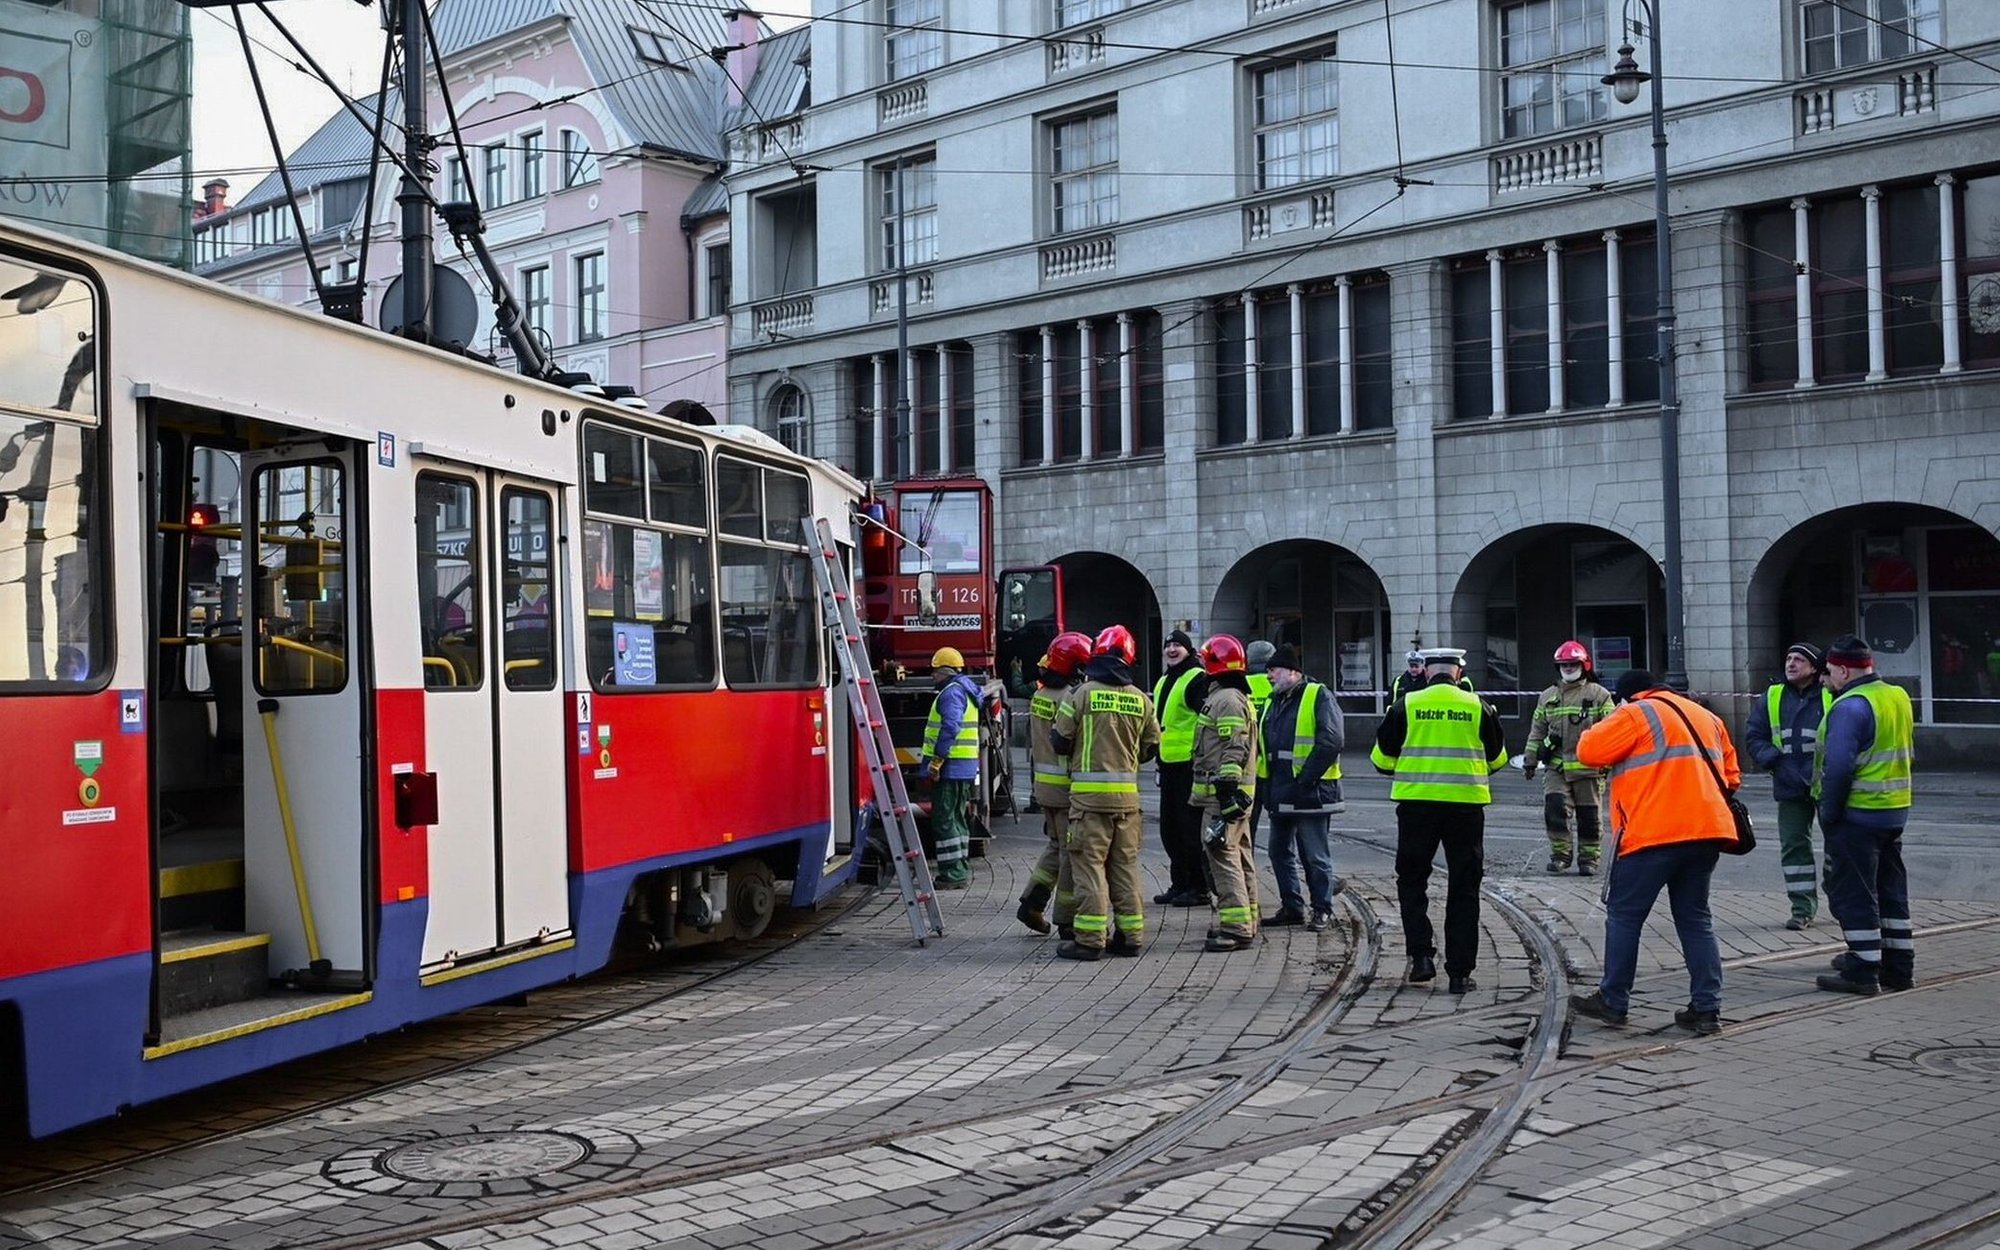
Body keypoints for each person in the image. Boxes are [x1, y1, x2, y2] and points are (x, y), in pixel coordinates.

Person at [1569, 669, 1739, 1034]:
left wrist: (1615, 716)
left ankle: (1613, 1001)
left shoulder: (1634, 713)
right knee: (1695, 918)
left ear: (1628, 695)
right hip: (1706, 833)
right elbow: (1732, 776)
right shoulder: (1705, 716)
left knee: (1625, 916)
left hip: (1653, 834)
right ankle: (1707, 1008)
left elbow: (1588, 751)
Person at [1370, 648, 1506, 994]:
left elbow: (1381, 761)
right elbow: (1498, 758)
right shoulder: (1479, 706)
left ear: (1427, 673)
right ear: (1458, 673)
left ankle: (1421, 958)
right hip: (1466, 809)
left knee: (1412, 882)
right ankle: (1460, 974)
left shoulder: (1406, 705)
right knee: (1464, 887)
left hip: (1416, 807)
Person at [1051, 624, 1161, 961]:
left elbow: (1059, 739)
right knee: (1125, 868)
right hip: (1128, 804)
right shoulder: (1141, 699)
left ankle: (1090, 940)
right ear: (1128, 659)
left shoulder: (1081, 695)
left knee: (1089, 869)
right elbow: (1151, 748)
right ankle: (1130, 938)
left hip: (1088, 804)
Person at [1815, 635, 1916, 995]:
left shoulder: (1850, 706)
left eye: (1828, 672)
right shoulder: (1897, 696)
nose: (1827, 679)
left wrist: (1829, 811)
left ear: (1843, 670)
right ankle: (1899, 966)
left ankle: (1862, 968)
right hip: (1894, 810)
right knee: (1890, 890)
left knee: (1856, 892)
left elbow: (1839, 768)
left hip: (1858, 814)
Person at [1744, 643, 1833, 930]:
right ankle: (1802, 908)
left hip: (1828, 783)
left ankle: (1841, 899)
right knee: (1794, 847)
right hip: (1789, 783)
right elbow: (1754, 737)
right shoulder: (1773, 696)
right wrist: (1775, 761)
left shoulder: (1831, 693)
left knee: (1839, 847)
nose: (1791, 664)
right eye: (1788, 657)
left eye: (1799, 659)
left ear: (1814, 668)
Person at [1260, 643, 1345, 932]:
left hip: (1311, 793)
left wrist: (1305, 779)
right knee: (1278, 851)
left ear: (1293, 672)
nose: (1269, 675)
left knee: (1315, 854)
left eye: (1274, 670)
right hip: (1281, 791)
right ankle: (1293, 907)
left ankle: (1322, 909)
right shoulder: (1275, 700)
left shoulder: (1318, 695)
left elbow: (1331, 741)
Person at [1018, 631, 1094, 936]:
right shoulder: (1068, 699)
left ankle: (1031, 903)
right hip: (1065, 789)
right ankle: (1067, 918)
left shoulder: (1040, 695)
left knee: (1055, 847)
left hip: (1045, 788)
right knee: (1070, 854)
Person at [1191, 635, 1261, 952]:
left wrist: (1226, 792)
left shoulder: (1226, 700)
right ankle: (1249, 919)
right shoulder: (1235, 697)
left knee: (1221, 854)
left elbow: (1234, 746)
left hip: (1223, 797)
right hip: (1233, 795)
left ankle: (1235, 927)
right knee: (1240, 853)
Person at [1524, 641, 1615, 876]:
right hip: (1557, 768)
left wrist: (1610, 760)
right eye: (1564, 664)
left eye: (1573, 663)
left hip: (1590, 769)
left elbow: (1613, 729)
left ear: (1583, 665)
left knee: (1589, 817)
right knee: (1555, 812)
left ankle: (1588, 859)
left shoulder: (1598, 695)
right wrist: (1530, 760)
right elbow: (1537, 731)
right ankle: (1561, 856)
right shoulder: (1547, 697)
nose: (1568, 667)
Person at [1151, 629, 1211, 906]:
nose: (1172, 650)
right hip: (1168, 766)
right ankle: (1179, 883)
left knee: (1189, 831)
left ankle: (1198, 888)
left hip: (1189, 765)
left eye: (1178, 646)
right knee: (1170, 830)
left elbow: (1206, 721)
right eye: (1169, 645)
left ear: (1189, 650)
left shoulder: (1196, 678)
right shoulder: (1165, 679)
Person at [919, 646, 982, 888]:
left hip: (950, 767)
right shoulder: (965, 691)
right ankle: (959, 868)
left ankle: (952, 873)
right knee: (956, 817)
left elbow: (951, 727)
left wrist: (937, 761)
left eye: (935, 671)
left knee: (945, 819)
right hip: (963, 767)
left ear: (944, 671)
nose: (933, 676)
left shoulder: (951, 694)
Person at [1245, 639, 1276, 842]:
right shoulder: (1277, 685)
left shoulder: (1242, 684)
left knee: (1247, 827)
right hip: (1274, 767)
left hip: (1247, 767)